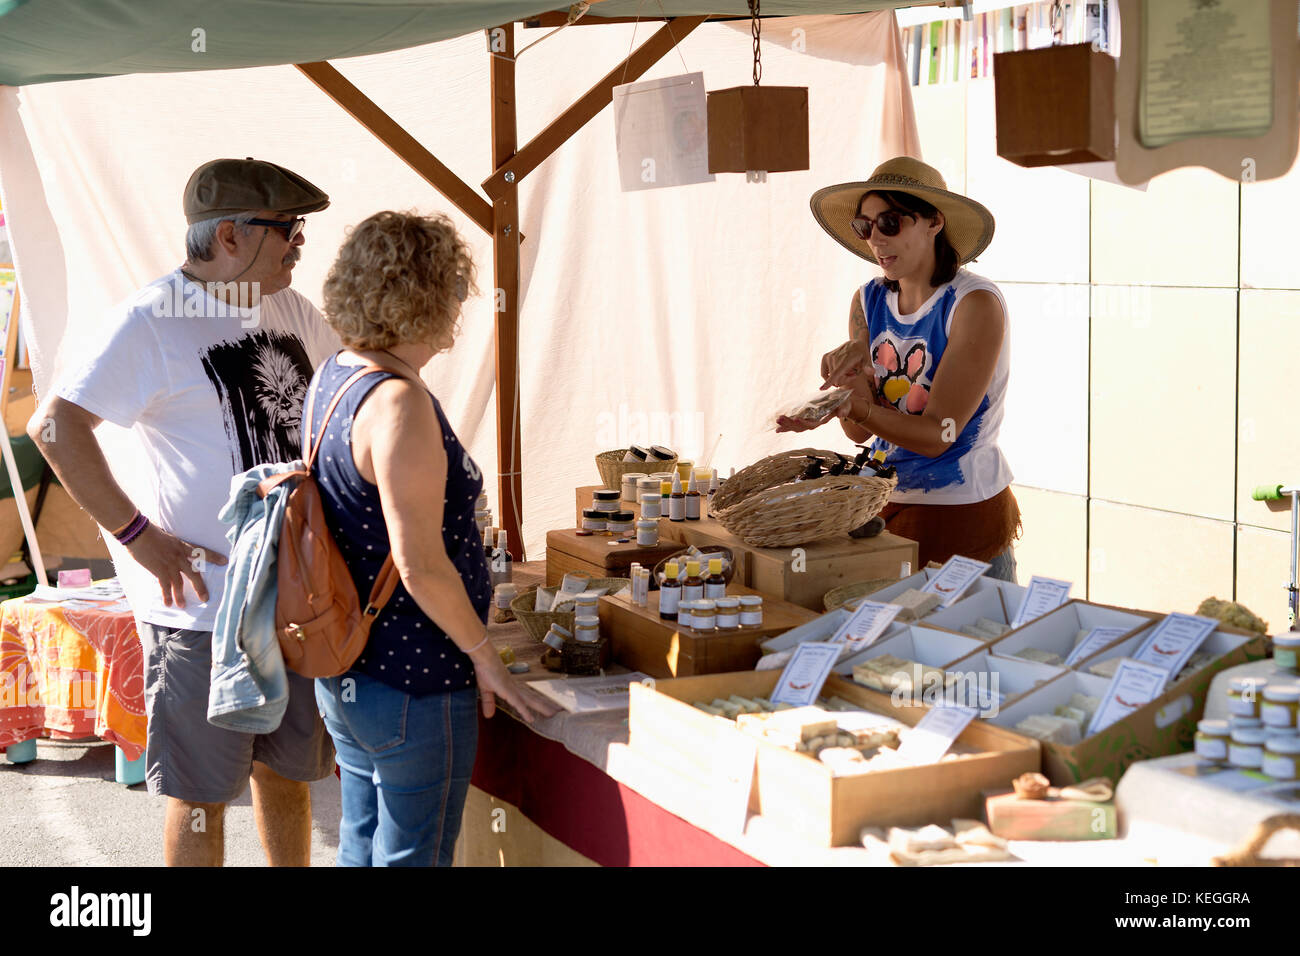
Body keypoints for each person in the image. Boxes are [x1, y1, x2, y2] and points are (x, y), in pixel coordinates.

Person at [28, 158, 341, 865]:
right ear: (229, 235)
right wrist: (139, 537)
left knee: (290, 776)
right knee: (201, 798)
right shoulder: (150, 319)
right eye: (288, 228)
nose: (299, 242)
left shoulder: (291, 308)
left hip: (297, 599)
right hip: (206, 610)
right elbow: (55, 429)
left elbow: (346, 396)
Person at [310, 209, 558, 867]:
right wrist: (486, 658)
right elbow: (418, 563)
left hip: (352, 667)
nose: (461, 300)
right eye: (452, 284)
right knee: (412, 858)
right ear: (426, 293)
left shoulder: (338, 374)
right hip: (412, 675)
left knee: (363, 846)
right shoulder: (396, 401)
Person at [781, 156, 1020, 579]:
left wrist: (855, 407)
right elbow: (860, 433)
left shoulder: (973, 302)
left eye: (890, 222)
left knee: (956, 641)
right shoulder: (868, 300)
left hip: (959, 509)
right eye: (865, 226)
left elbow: (937, 437)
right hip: (880, 502)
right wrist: (846, 389)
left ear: (933, 222)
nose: (875, 238)